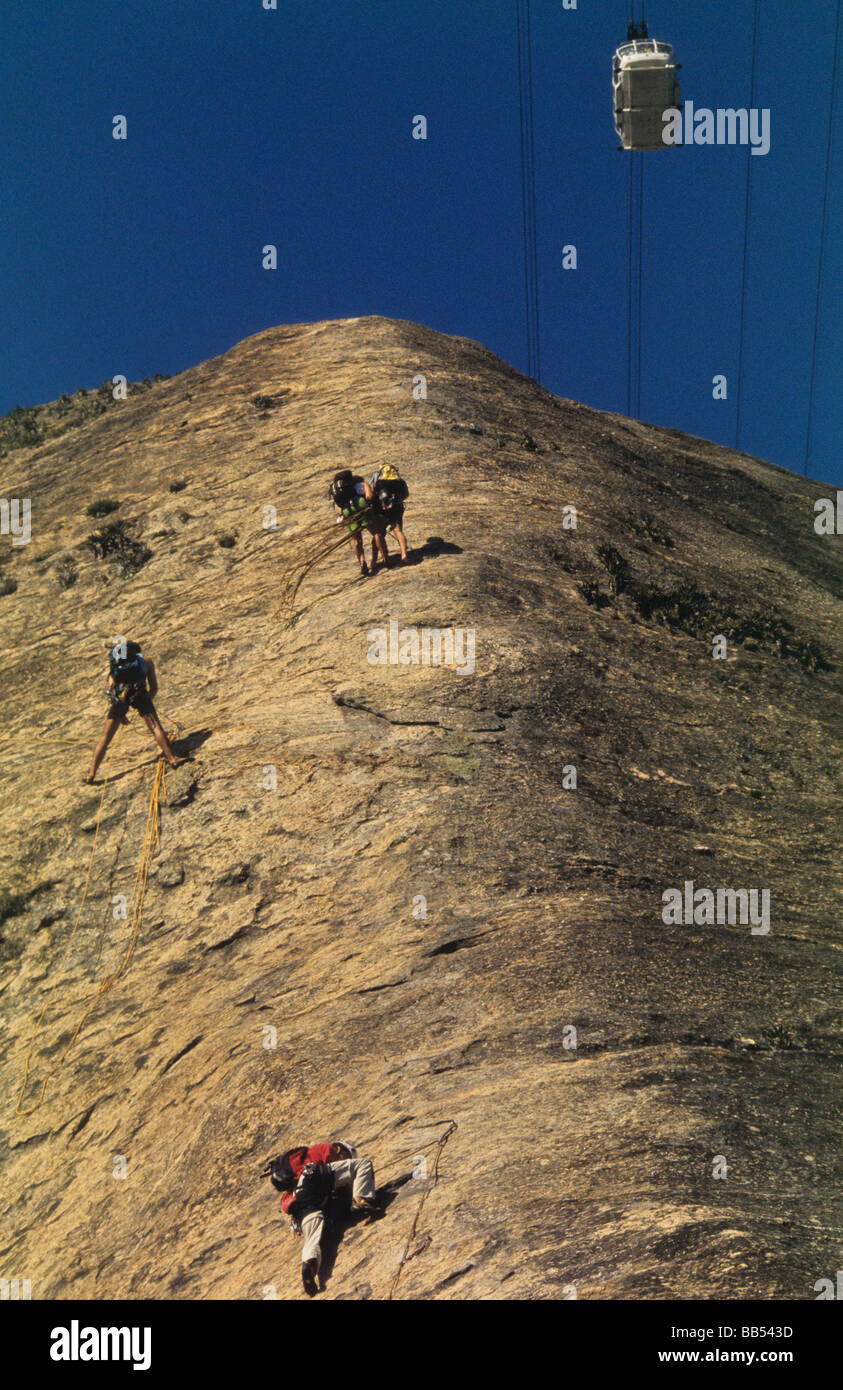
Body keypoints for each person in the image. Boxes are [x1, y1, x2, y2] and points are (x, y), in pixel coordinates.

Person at [263, 1140, 377, 1295]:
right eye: (345, 1155)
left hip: (302, 1200)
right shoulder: (327, 1149)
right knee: (362, 1164)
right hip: (314, 1177)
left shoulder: (293, 1180)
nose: (344, 1160)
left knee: (313, 1235)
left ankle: (309, 1263)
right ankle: (361, 1200)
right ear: (339, 1148)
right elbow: (338, 1175)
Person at [85, 640, 186, 784]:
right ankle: (172, 758)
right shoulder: (146, 661)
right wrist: (146, 704)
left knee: (105, 737)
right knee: (155, 727)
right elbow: (154, 687)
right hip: (140, 695)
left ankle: (91, 774)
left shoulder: (115, 665)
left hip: (121, 699)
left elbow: (112, 689)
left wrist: (122, 712)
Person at [329, 469, 390, 576]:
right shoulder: (361, 484)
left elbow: (339, 509)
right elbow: (369, 496)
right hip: (361, 507)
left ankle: (362, 563)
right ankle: (386, 559)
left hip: (347, 512)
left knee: (357, 540)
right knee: (376, 533)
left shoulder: (338, 492)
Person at [369, 464, 410, 564]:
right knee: (398, 530)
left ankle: (374, 560)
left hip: (381, 510)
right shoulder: (399, 480)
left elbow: (371, 492)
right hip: (397, 508)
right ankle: (404, 554)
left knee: (379, 534)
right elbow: (406, 494)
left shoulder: (376, 477)